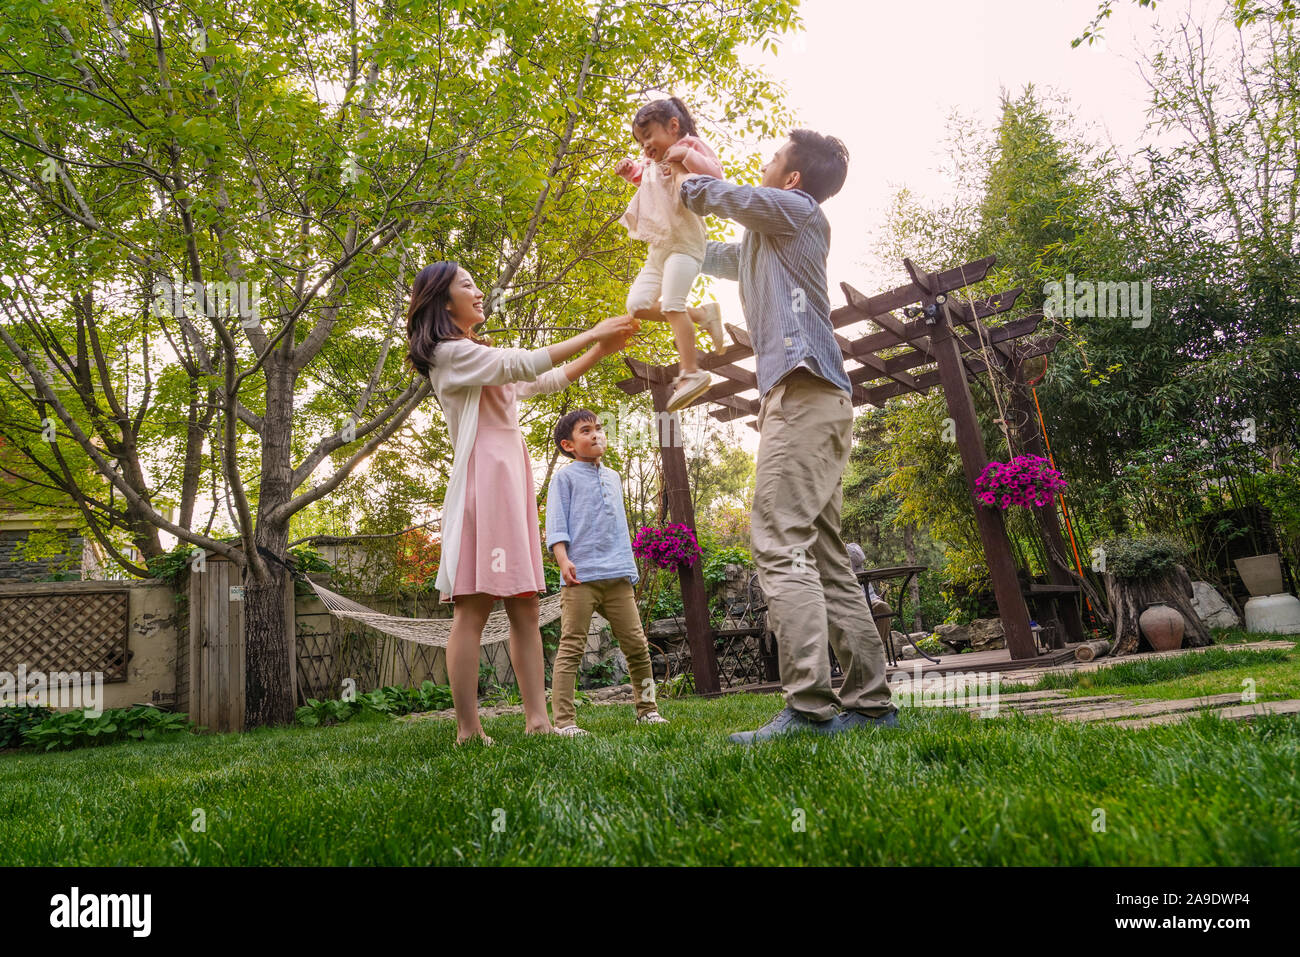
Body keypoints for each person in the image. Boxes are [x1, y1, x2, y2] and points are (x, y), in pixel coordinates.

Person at [674, 130, 899, 743]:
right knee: (823, 554)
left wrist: (694, 172)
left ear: (793, 179)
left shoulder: (800, 214)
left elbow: (721, 196)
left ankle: (808, 707)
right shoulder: (764, 237)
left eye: (773, 160)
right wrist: (657, 202)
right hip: (808, 398)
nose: (764, 165)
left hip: (803, 393)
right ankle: (871, 705)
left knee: (777, 540)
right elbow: (708, 252)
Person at [406, 262, 638, 745]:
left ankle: (538, 720)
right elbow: (525, 363)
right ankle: (468, 729)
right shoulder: (450, 355)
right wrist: (592, 331)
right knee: (472, 609)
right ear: (443, 302)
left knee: (526, 606)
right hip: (483, 482)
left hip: (510, 482)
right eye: (466, 285)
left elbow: (544, 381)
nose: (478, 290)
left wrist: (601, 348)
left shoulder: (478, 355)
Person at [544, 409, 667, 735]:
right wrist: (563, 560)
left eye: (599, 428)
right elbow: (555, 525)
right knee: (571, 648)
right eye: (587, 430)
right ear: (568, 444)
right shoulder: (564, 478)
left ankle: (648, 709)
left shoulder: (613, 476)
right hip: (580, 577)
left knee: (638, 647)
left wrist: (629, 567)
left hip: (617, 577)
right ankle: (565, 722)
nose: (596, 434)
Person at [615, 96, 728, 412]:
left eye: (648, 136)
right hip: (659, 248)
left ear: (673, 126)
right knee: (636, 305)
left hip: (686, 243)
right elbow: (649, 183)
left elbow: (716, 174)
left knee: (673, 303)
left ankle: (691, 372)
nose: (645, 146)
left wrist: (687, 155)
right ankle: (704, 315)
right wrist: (631, 172)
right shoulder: (652, 162)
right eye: (640, 142)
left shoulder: (690, 145)